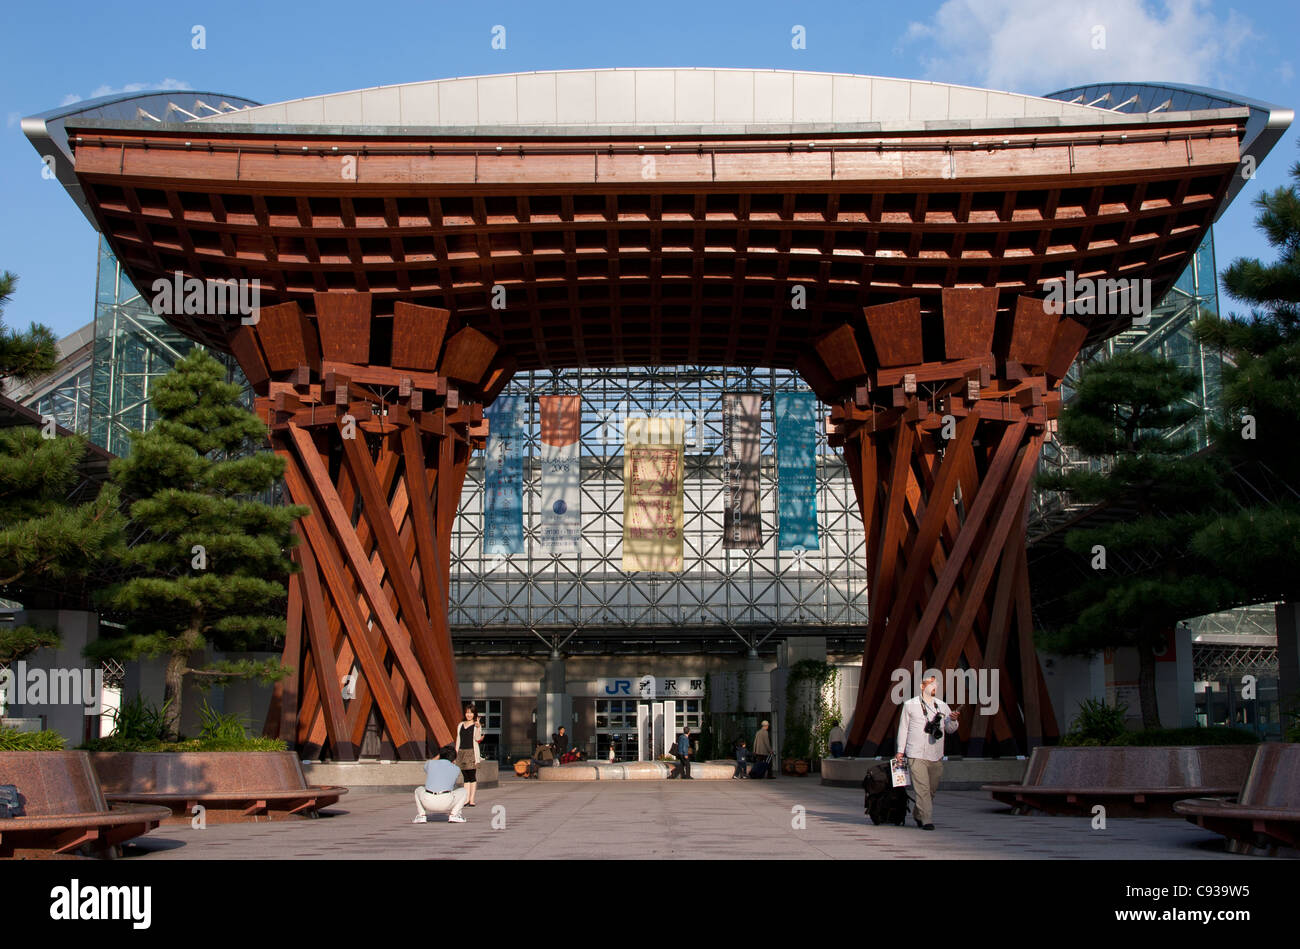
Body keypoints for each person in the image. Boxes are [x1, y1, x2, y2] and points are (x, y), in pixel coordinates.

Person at [894, 674, 960, 830]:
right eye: (930, 683)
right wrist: (900, 751)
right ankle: (927, 820)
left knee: (931, 790)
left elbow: (950, 729)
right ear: (922, 686)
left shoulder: (942, 706)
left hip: (936, 754)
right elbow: (903, 729)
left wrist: (953, 720)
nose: (934, 686)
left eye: (935, 683)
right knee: (922, 789)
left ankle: (919, 814)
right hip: (916, 753)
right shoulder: (910, 705)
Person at [413, 744, 468, 823]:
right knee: (464, 791)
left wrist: (440, 755)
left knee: (418, 789)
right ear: (454, 758)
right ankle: (454, 815)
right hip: (446, 802)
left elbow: (426, 766)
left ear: (440, 755)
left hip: (428, 801)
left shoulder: (431, 764)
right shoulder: (456, 769)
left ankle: (421, 816)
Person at [455, 704, 484, 806]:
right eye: (467, 712)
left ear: (474, 714)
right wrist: (456, 753)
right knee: (465, 777)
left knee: (472, 776)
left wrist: (478, 727)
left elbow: (477, 738)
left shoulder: (476, 725)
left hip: (471, 752)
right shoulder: (460, 725)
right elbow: (458, 740)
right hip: (461, 752)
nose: (469, 715)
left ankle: (471, 799)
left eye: (471, 713)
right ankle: (466, 799)